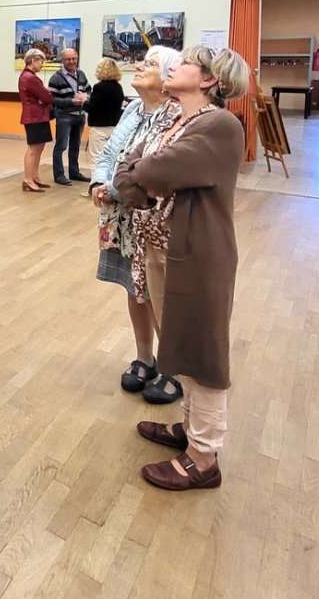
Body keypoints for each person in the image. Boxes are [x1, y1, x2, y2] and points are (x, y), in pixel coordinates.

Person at [114, 45, 250, 491]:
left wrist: (143, 176)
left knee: (202, 354)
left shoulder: (219, 124)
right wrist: (141, 176)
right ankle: (191, 431)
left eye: (187, 63)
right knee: (179, 345)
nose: (176, 66)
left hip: (196, 255)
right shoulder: (175, 120)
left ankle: (204, 458)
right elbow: (128, 167)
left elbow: (154, 170)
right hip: (159, 249)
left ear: (209, 79)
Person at [90, 46, 181, 402]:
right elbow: (109, 153)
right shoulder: (133, 109)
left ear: (168, 78)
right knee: (134, 287)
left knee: (160, 293)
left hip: (153, 219)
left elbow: (151, 171)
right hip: (123, 218)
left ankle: (174, 369)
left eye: (151, 63)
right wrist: (98, 182)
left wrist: (112, 189)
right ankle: (145, 358)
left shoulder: (176, 115)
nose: (140, 65)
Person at [48, 48, 91, 184]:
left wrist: (86, 97)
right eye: (68, 59)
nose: (71, 61)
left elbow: (89, 90)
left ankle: (74, 172)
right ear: (62, 60)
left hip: (80, 116)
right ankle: (59, 175)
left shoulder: (81, 74)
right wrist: (71, 101)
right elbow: (52, 100)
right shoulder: (55, 78)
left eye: (74, 58)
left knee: (75, 146)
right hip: (64, 116)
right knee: (61, 146)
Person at [18, 48, 53, 192]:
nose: (42, 65)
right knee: (33, 148)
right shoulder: (30, 77)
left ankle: (34, 176)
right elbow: (47, 97)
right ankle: (28, 179)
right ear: (33, 60)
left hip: (38, 115)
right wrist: (45, 97)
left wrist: (44, 97)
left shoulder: (28, 76)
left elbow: (44, 96)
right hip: (34, 116)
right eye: (41, 61)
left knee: (39, 147)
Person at [84, 57, 125, 166]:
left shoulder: (99, 87)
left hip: (99, 127)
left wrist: (83, 101)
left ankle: (97, 177)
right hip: (114, 126)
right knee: (111, 158)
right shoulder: (118, 87)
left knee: (96, 159)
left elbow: (92, 108)